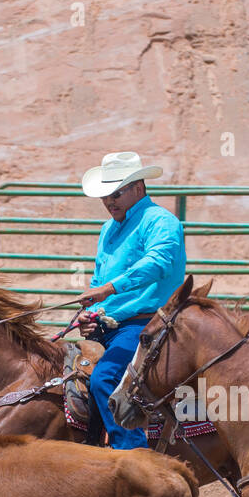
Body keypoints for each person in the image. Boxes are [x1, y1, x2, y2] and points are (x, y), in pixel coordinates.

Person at [75, 151, 187, 448]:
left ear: (138, 188)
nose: (109, 202)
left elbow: (158, 263)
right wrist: (91, 313)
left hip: (146, 325)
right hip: (112, 324)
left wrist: (109, 289)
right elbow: (99, 280)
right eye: (104, 196)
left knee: (105, 379)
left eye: (115, 193)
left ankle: (133, 455)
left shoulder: (161, 222)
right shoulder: (108, 229)